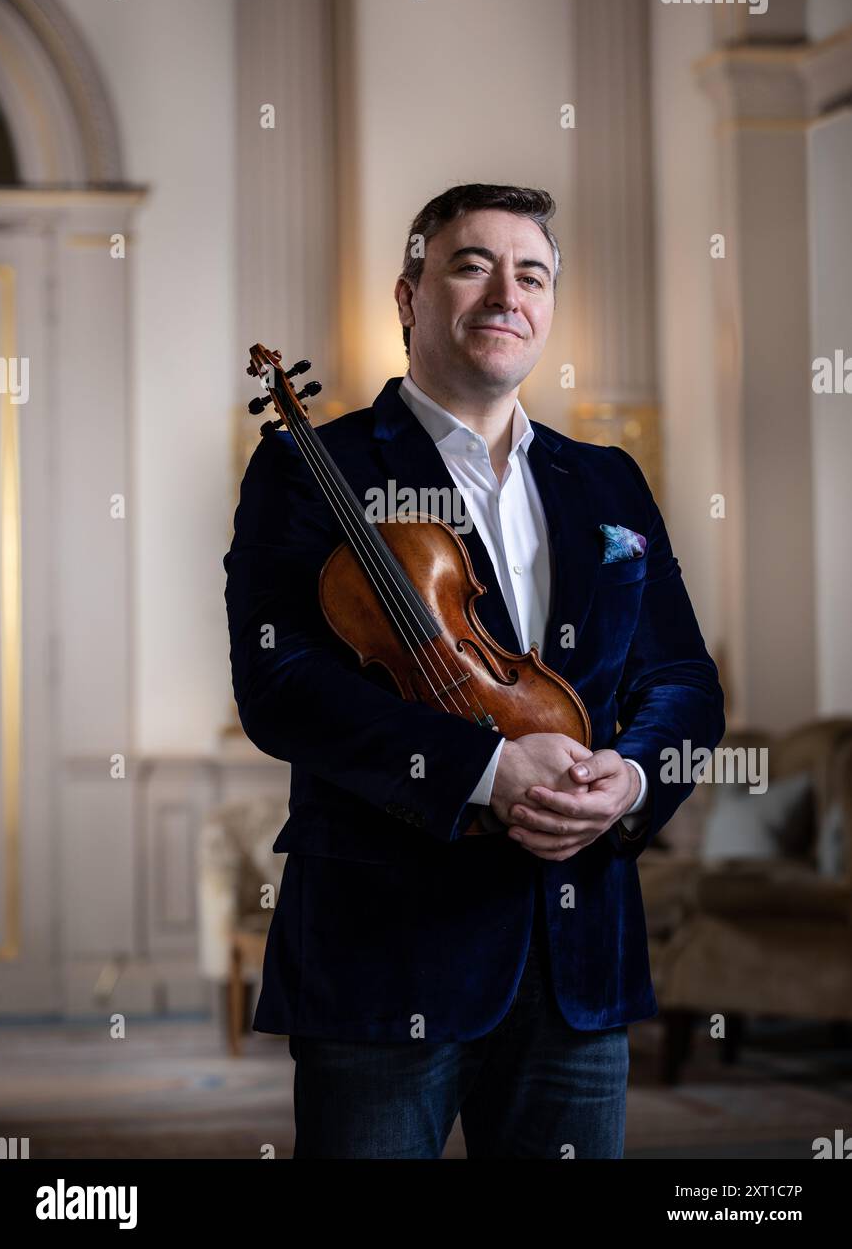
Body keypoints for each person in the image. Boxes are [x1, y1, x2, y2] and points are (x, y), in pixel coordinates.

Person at [223, 182, 725, 1159]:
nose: (506, 292)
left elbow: (681, 683)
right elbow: (279, 685)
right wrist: (488, 769)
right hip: (383, 955)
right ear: (408, 296)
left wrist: (626, 779)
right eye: (470, 264)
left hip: (578, 958)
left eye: (530, 273)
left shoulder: (608, 479)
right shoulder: (309, 467)